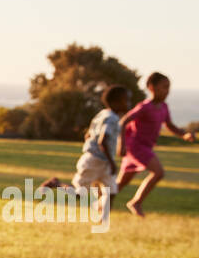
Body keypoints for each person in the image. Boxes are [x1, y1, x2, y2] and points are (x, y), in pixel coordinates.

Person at [39, 84, 131, 220]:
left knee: (111, 191)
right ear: (115, 102)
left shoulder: (103, 114)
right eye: (126, 100)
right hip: (95, 161)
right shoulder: (112, 119)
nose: (128, 103)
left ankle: (102, 220)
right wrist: (112, 162)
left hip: (102, 161)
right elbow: (102, 141)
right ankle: (56, 183)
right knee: (79, 193)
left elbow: (88, 134)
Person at [118, 72, 195, 217]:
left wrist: (184, 134)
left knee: (122, 182)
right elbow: (124, 121)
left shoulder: (164, 107)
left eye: (168, 87)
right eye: (164, 87)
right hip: (136, 146)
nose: (167, 91)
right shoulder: (145, 107)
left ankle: (100, 202)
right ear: (151, 87)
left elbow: (170, 125)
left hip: (146, 147)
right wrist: (121, 145)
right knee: (158, 172)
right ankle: (136, 202)